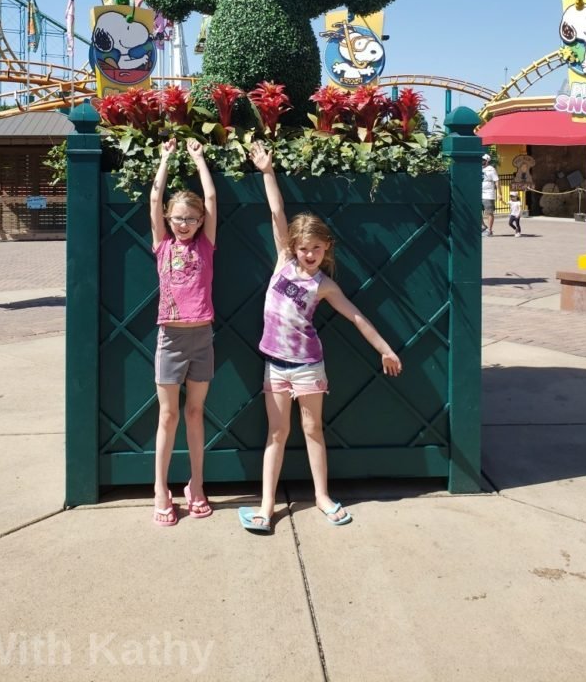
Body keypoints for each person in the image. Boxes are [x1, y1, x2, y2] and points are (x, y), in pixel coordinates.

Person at [239, 140, 403, 533]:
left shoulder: (325, 285)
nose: (308, 254)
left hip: (309, 366)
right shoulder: (283, 261)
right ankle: (266, 506)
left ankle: (322, 497)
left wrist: (385, 349)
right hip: (275, 366)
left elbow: (356, 316)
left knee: (313, 430)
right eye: (303, 248)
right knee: (277, 433)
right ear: (293, 247)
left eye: (315, 248)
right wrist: (267, 171)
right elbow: (277, 211)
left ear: (326, 248)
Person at [150, 137, 217, 526]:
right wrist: (165, 158)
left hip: (202, 336)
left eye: (191, 219)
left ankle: (197, 484)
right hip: (170, 339)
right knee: (168, 415)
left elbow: (210, 197)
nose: (185, 224)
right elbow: (155, 199)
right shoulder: (162, 244)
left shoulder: (206, 245)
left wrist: (198, 158)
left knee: (195, 413)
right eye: (179, 218)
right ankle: (161, 488)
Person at [481, 153, 499, 236]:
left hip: (488, 194)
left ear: (487, 161)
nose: (481, 161)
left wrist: (499, 193)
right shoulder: (478, 168)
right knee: (476, 211)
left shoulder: (491, 169)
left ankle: (490, 230)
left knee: (489, 212)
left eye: (483, 160)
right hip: (479, 193)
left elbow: (496, 181)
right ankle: (483, 226)